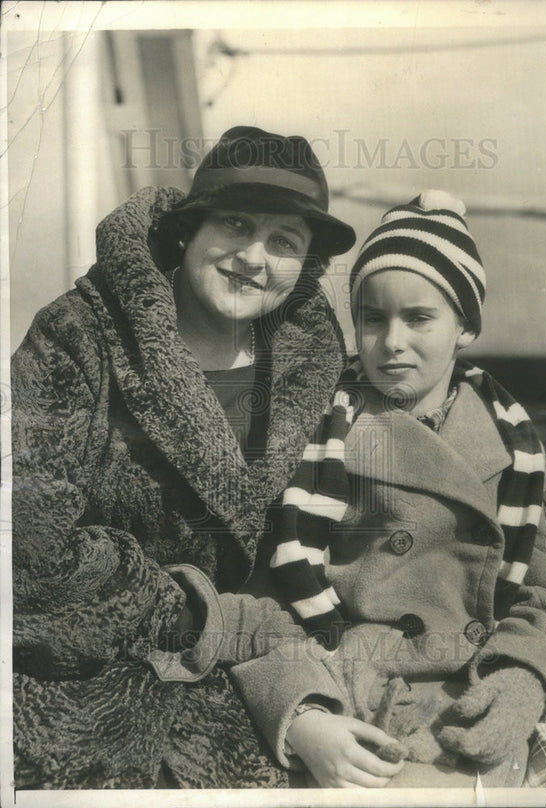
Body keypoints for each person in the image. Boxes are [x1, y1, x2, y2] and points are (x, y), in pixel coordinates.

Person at [11, 125, 365, 789]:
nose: (255, 257)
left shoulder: (313, 380)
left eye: (284, 240)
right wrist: (181, 610)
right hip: (63, 698)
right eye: (236, 224)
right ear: (189, 231)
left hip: (236, 699)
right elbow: (22, 553)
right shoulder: (79, 337)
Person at [230, 191, 546, 788]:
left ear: (465, 325)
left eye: (418, 318)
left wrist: (523, 682)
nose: (391, 341)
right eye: (372, 318)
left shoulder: (513, 452)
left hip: (479, 687)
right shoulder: (320, 442)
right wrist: (308, 715)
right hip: (357, 694)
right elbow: (266, 602)